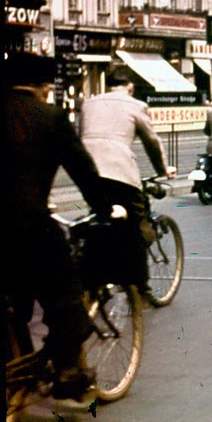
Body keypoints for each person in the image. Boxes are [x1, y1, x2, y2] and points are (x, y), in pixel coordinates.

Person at [1, 53, 120, 401]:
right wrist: (105, 208)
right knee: (65, 298)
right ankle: (69, 374)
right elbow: (83, 170)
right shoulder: (50, 116)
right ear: (43, 86)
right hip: (27, 226)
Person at [79, 68, 177, 296]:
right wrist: (163, 169)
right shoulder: (136, 105)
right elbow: (151, 141)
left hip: (87, 171)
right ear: (130, 87)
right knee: (135, 224)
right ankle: (140, 286)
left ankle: (95, 278)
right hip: (119, 171)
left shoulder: (88, 104)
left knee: (99, 216)